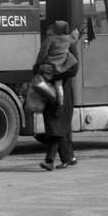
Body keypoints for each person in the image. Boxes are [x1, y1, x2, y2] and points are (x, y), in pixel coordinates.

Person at [36, 22, 80, 171]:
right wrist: (40, 68)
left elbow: (74, 69)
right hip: (50, 89)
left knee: (56, 124)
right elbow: (37, 65)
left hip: (63, 90)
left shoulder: (70, 45)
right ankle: (69, 157)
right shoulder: (53, 42)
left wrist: (56, 73)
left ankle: (50, 160)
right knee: (58, 125)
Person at [33, 22, 76, 108]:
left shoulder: (49, 40)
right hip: (61, 68)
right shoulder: (67, 40)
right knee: (58, 86)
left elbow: (42, 54)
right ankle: (60, 103)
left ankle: (54, 99)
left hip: (51, 67)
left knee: (42, 82)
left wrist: (38, 65)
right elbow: (74, 38)